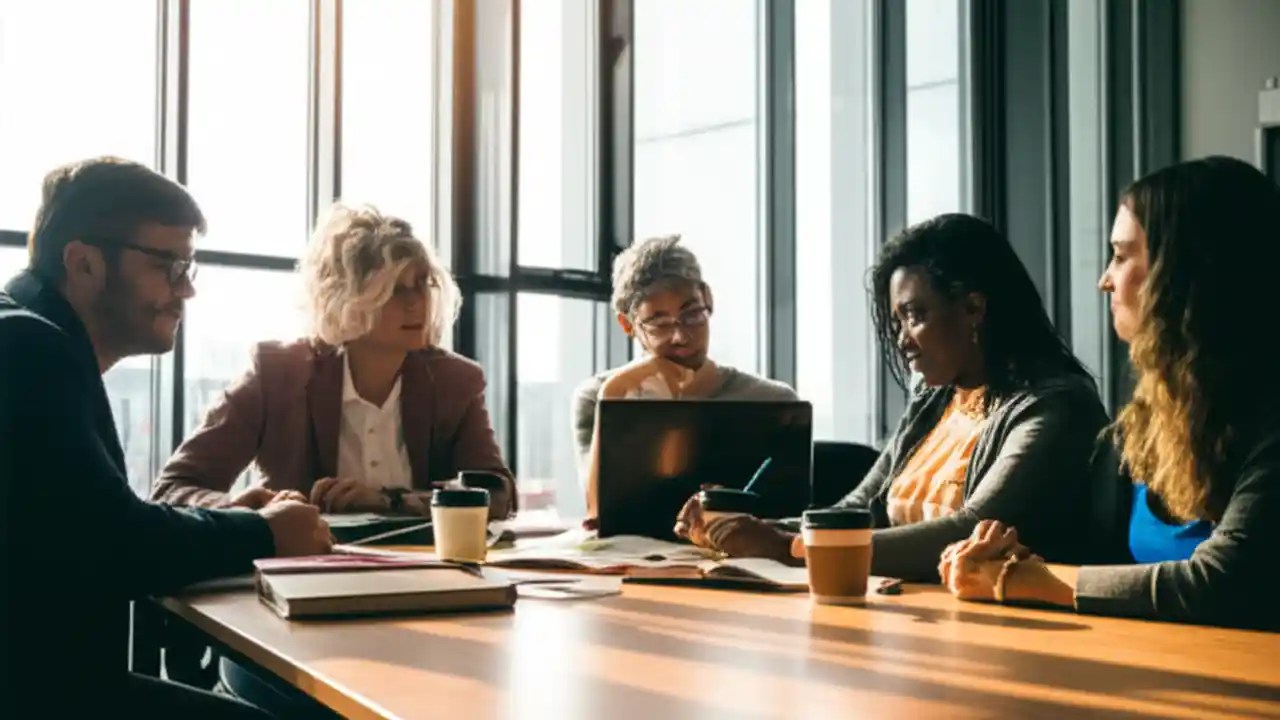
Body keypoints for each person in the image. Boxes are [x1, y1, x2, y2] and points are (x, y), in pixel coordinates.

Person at [0, 157, 331, 717]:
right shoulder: (31, 353)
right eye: (170, 266)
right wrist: (264, 534)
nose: (188, 290)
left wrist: (240, 521)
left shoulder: (31, 340)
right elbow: (113, 545)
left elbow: (80, 522)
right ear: (83, 264)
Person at [939, 157, 1280, 631]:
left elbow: (1225, 582)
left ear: (1180, 272)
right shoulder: (1138, 428)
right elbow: (1097, 566)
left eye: (1121, 257)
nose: (1105, 280)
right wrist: (1013, 558)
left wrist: (1030, 580)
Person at [677, 214, 1108, 581]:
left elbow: (972, 527)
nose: (902, 341)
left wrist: (788, 546)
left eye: (915, 315)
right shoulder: (935, 399)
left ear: (974, 308)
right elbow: (859, 509)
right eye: (897, 321)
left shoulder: (1056, 406)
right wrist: (741, 528)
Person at [151, 203, 515, 520]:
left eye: (421, 284)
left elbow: (498, 494)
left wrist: (392, 501)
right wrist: (237, 509)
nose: (415, 302)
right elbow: (174, 489)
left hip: (426, 577)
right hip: (302, 575)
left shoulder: (455, 380)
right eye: (393, 290)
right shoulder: (277, 372)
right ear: (347, 299)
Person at [574, 234, 798, 517]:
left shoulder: (773, 401)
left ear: (708, 298)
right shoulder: (597, 395)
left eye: (692, 313)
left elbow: (787, 516)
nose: (680, 336)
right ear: (627, 325)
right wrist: (615, 394)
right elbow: (597, 514)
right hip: (635, 557)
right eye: (659, 323)